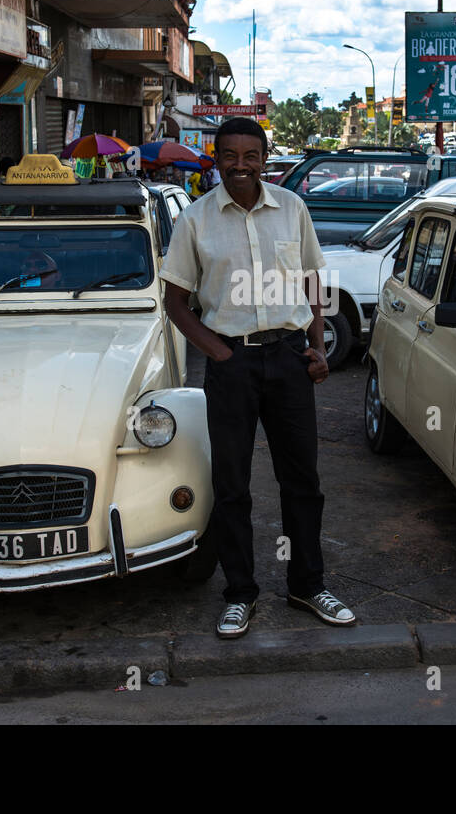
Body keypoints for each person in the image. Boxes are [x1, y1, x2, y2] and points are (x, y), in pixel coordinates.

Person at [160, 116, 355, 638]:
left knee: (303, 481)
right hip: (233, 365)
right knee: (231, 485)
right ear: (216, 158)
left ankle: (307, 585)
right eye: (230, 155)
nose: (240, 165)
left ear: (265, 159)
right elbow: (175, 301)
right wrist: (217, 352)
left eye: (251, 156)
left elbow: (316, 280)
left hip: (290, 359)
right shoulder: (196, 220)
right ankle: (240, 593)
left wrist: (317, 347)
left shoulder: (291, 209)